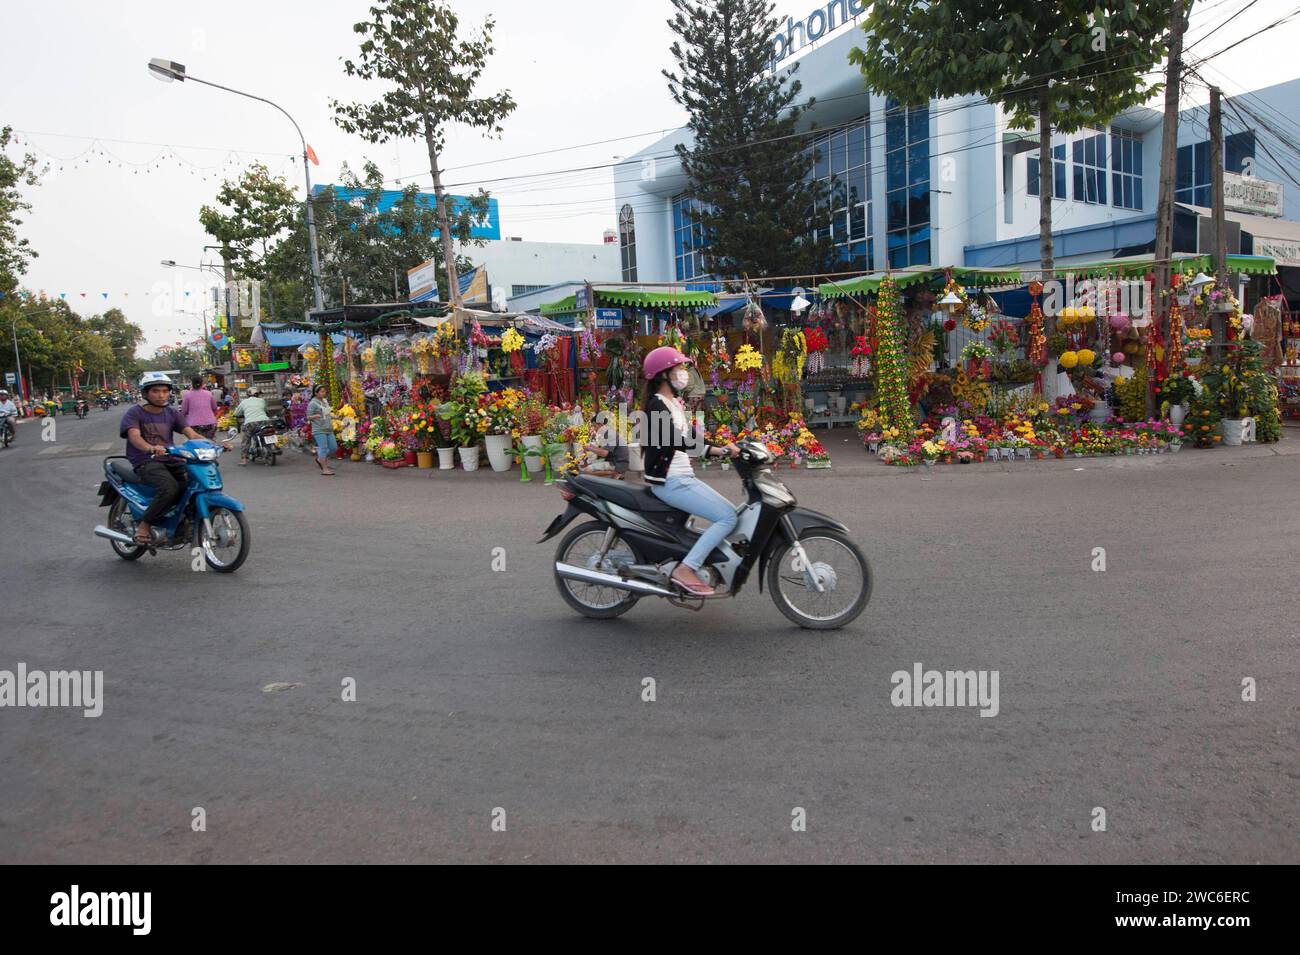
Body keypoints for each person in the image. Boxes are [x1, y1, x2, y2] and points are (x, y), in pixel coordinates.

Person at [640, 346, 740, 596]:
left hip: (681, 477)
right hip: (672, 480)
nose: (684, 373)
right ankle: (687, 568)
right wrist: (718, 451)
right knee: (728, 517)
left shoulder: (672, 402)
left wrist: (721, 446)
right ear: (664, 374)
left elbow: (688, 438)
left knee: (729, 514)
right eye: (679, 368)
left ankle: (701, 560)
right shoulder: (656, 405)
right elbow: (675, 440)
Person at [120, 372, 229, 546]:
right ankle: (145, 524)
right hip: (146, 460)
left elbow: (191, 434)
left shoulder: (171, 413)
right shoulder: (135, 413)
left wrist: (215, 445)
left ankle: (179, 518)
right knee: (169, 488)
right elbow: (134, 436)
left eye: (164, 391)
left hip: (171, 458)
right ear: (145, 393)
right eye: (155, 391)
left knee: (194, 481)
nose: (161, 395)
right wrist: (150, 448)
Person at [232, 387, 271, 466]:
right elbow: (266, 411)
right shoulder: (262, 400)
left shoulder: (244, 402)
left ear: (248, 394)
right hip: (265, 421)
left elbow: (236, 413)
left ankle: (243, 460)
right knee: (266, 434)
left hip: (250, 423)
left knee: (246, 440)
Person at [305, 384, 337, 476]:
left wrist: (336, 416)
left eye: (324, 391)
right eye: (322, 391)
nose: (324, 393)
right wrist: (315, 416)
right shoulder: (312, 403)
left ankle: (320, 459)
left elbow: (328, 413)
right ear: (316, 393)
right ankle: (325, 469)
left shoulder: (325, 401)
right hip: (319, 429)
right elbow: (308, 417)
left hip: (328, 428)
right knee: (323, 449)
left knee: (333, 447)